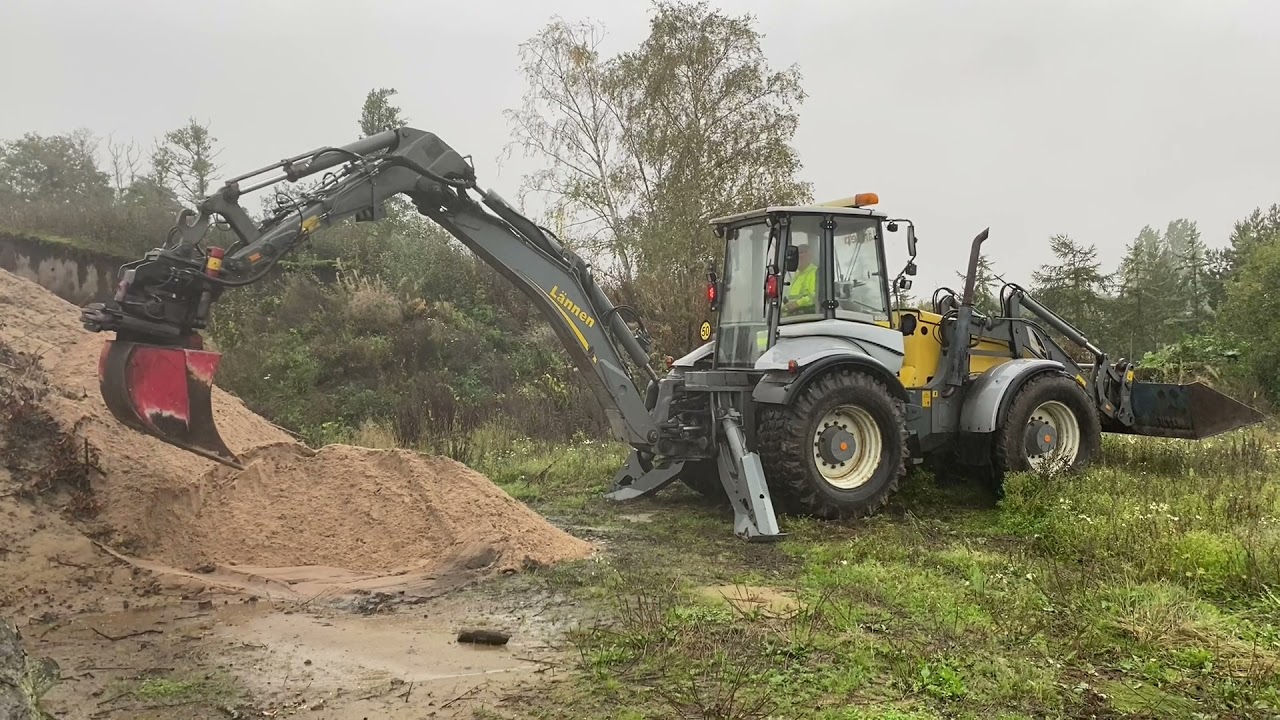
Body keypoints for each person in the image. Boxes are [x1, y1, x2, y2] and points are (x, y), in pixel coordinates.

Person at [783, 240, 818, 316]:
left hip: (806, 316)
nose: (799, 257)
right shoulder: (796, 275)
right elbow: (788, 297)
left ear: (809, 256)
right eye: (797, 254)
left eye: (802, 253)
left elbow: (815, 296)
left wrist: (797, 303)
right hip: (792, 315)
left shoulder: (814, 273)